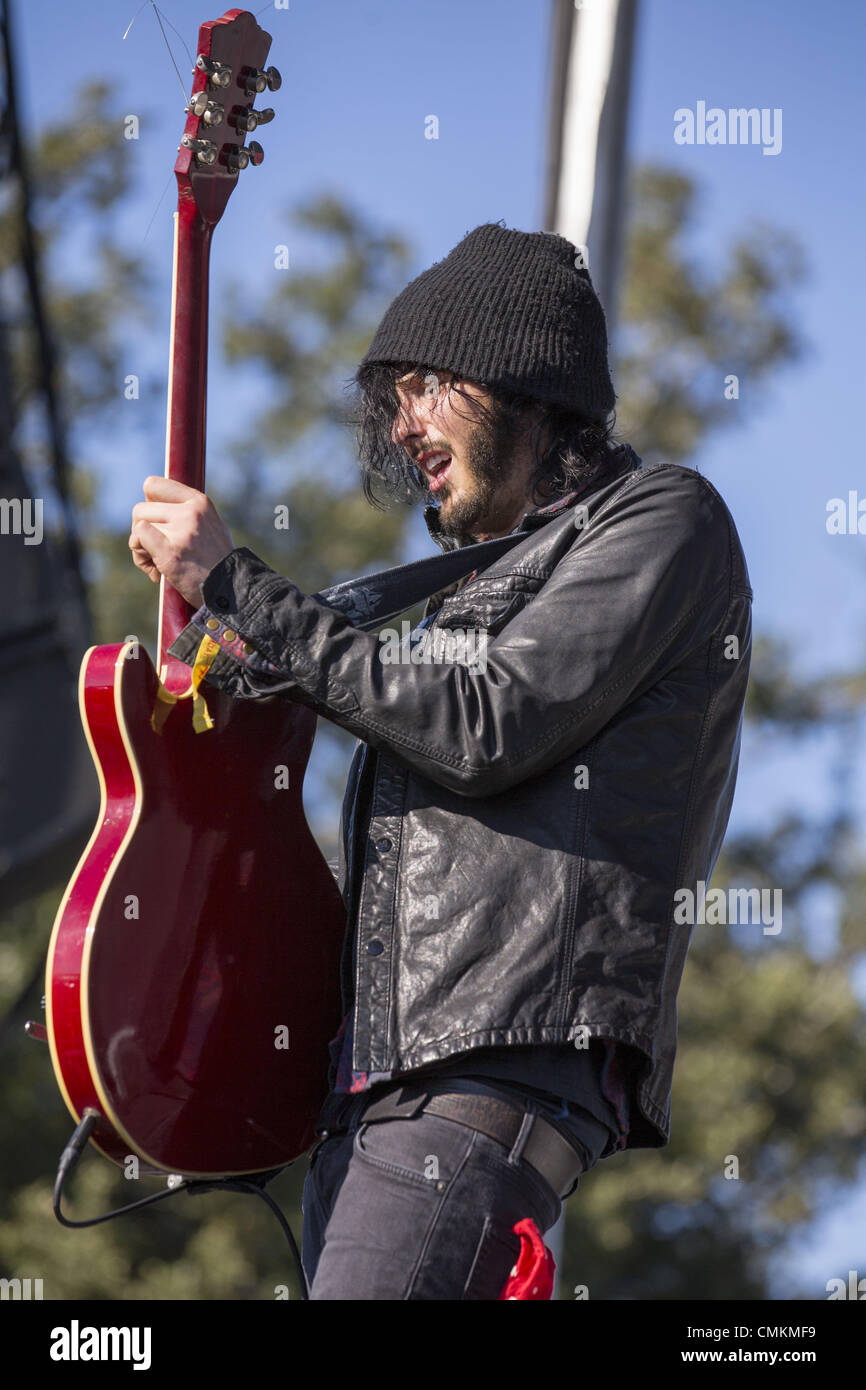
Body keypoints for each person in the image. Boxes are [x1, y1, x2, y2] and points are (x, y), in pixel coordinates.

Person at [128, 222, 752, 1300]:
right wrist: (213, 656)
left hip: (479, 1085)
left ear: (520, 376)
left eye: (427, 386)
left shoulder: (664, 519)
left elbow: (482, 725)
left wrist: (241, 586)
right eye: (393, 396)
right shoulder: (463, 596)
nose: (402, 423)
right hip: (380, 1104)